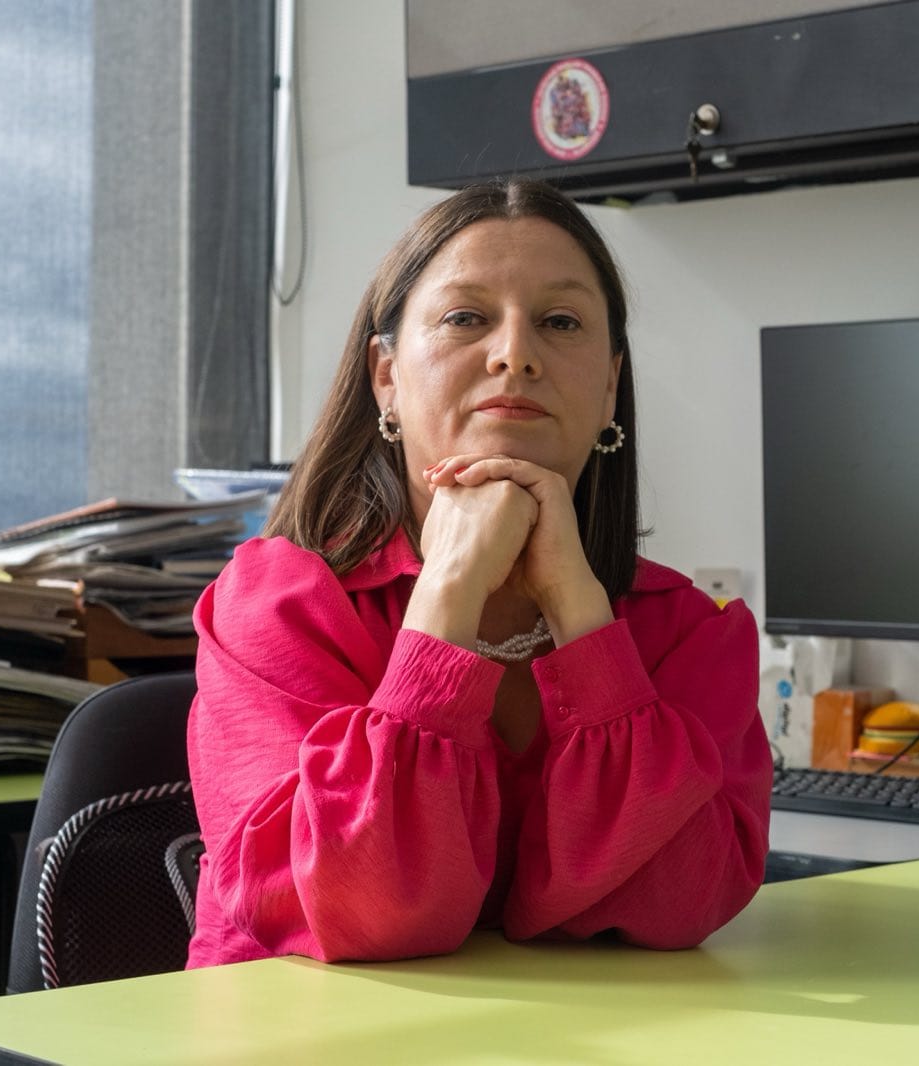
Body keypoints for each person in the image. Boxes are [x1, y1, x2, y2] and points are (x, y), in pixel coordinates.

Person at [186, 179, 772, 966]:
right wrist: (448, 599)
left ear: (608, 389)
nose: (515, 353)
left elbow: (679, 905)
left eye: (560, 322)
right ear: (386, 377)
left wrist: (580, 616)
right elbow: (359, 910)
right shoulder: (278, 609)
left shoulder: (688, 634)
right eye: (466, 318)